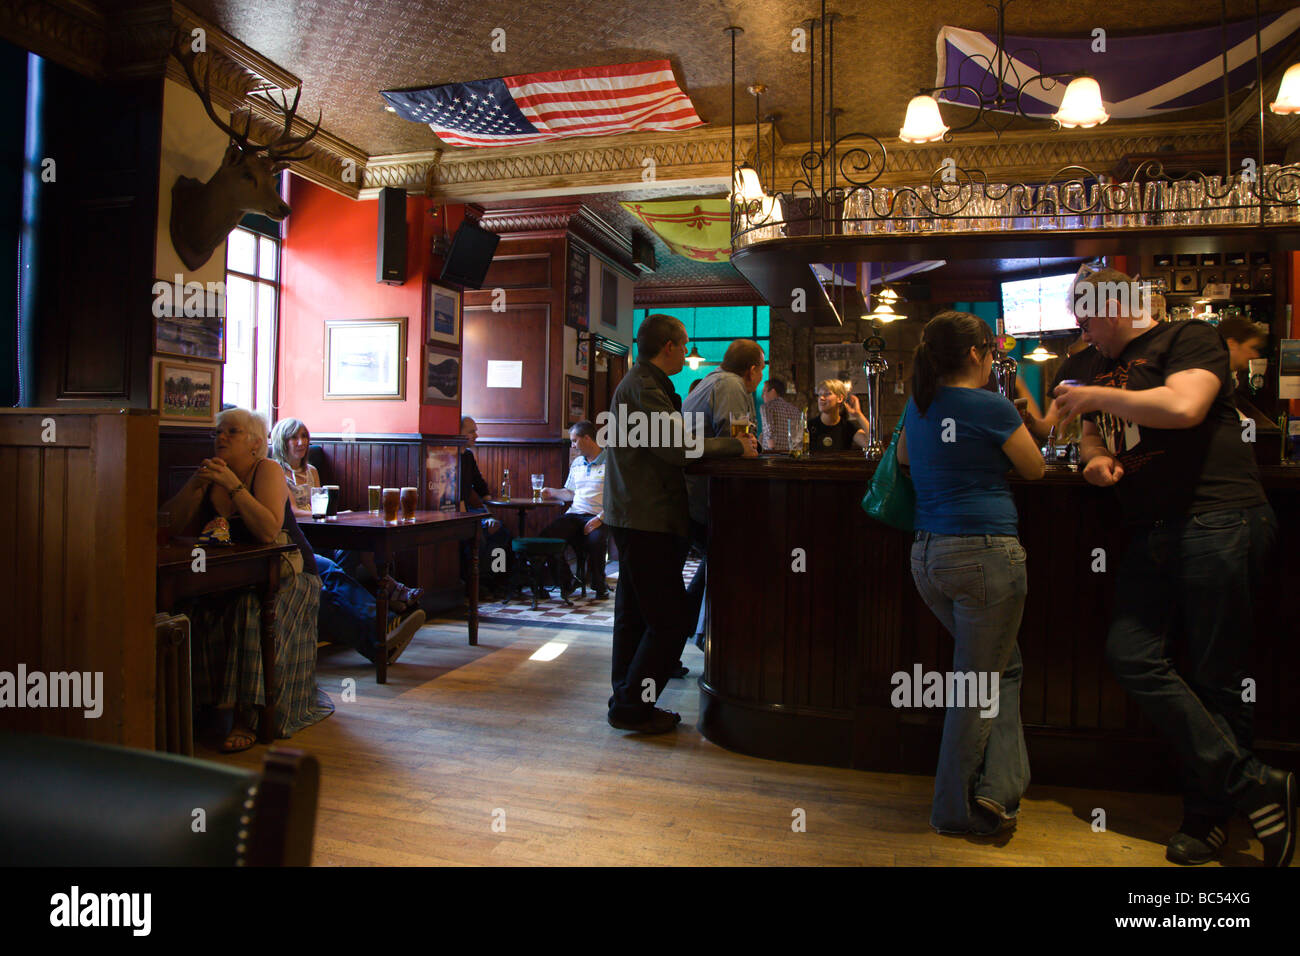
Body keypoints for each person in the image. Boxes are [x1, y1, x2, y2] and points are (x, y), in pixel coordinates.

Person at [1055, 265, 1292, 867]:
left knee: (1218, 676)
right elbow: (1090, 435)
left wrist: (1094, 397)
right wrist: (1093, 458)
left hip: (1220, 515)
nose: (1079, 327)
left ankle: (1210, 818)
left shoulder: (1187, 338)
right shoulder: (1087, 364)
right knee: (1131, 654)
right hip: (1152, 529)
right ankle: (1258, 784)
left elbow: (1185, 407)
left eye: (1085, 314)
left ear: (1115, 304)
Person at [896, 311, 1045, 835]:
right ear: (980, 354)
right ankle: (953, 810)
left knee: (1001, 671)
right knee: (976, 684)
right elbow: (1035, 468)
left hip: (928, 557)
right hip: (984, 557)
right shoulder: (992, 405)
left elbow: (906, 460)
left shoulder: (918, 404)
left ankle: (1000, 792)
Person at [604, 313, 757, 734]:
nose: (690, 351)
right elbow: (675, 447)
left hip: (638, 514)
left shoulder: (645, 384)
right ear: (669, 345)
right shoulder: (642, 385)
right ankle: (633, 705)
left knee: (635, 616)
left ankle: (626, 701)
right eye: (685, 342)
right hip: (645, 516)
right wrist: (735, 446)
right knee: (669, 621)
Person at [162, 408, 333, 752]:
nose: (220, 438)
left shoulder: (266, 470)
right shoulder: (210, 476)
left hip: (290, 574)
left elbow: (269, 530)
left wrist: (234, 486)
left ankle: (248, 716)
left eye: (231, 432)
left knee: (246, 610)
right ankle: (199, 708)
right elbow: (170, 527)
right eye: (218, 433)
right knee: (189, 609)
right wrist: (196, 485)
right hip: (231, 576)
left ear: (255, 444)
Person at [268, 417, 422, 613]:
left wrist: (338, 514)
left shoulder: (311, 471)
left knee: (358, 544)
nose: (301, 442)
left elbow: (318, 506)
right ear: (282, 442)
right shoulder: (275, 471)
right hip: (300, 536)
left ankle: (376, 600)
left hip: (320, 532)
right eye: (293, 438)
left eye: (304, 436)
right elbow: (293, 512)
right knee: (352, 547)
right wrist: (337, 514)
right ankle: (387, 599)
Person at [681, 339, 766, 669]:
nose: (760, 375)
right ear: (752, 369)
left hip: (692, 493)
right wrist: (745, 445)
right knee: (727, 558)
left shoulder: (714, 381)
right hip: (698, 495)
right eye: (761, 368)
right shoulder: (729, 384)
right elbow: (738, 442)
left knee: (720, 560)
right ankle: (709, 639)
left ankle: (694, 636)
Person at [538, 421, 609, 600]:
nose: (573, 445)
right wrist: (551, 492)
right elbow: (570, 493)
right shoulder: (577, 463)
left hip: (598, 516)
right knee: (547, 537)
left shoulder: (610, 462)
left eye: (575, 441)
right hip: (575, 514)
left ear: (587, 438)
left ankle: (599, 585)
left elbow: (617, 498)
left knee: (596, 541)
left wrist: (599, 519)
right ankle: (566, 582)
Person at [460, 416, 514, 597]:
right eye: (471, 431)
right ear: (458, 433)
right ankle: (477, 584)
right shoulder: (446, 456)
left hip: (472, 511)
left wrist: (489, 514)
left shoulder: (467, 456)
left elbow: (480, 485)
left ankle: (496, 580)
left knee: (502, 533)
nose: (476, 435)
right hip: (456, 515)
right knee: (479, 537)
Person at [808, 379, 869, 452]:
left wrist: (858, 415)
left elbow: (870, 444)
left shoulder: (847, 427)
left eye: (827, 394)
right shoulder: (809, 426)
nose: (821, 398)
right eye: (820, 395)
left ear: (840, 398)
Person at [760, 376, 800, 452]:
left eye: (764, 391)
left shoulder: (766, 407)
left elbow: (769, 431)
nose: (762, 395)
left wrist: (771, 452)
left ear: (773, 391)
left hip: (772, 456)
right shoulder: (795, 410)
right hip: (791, 455)